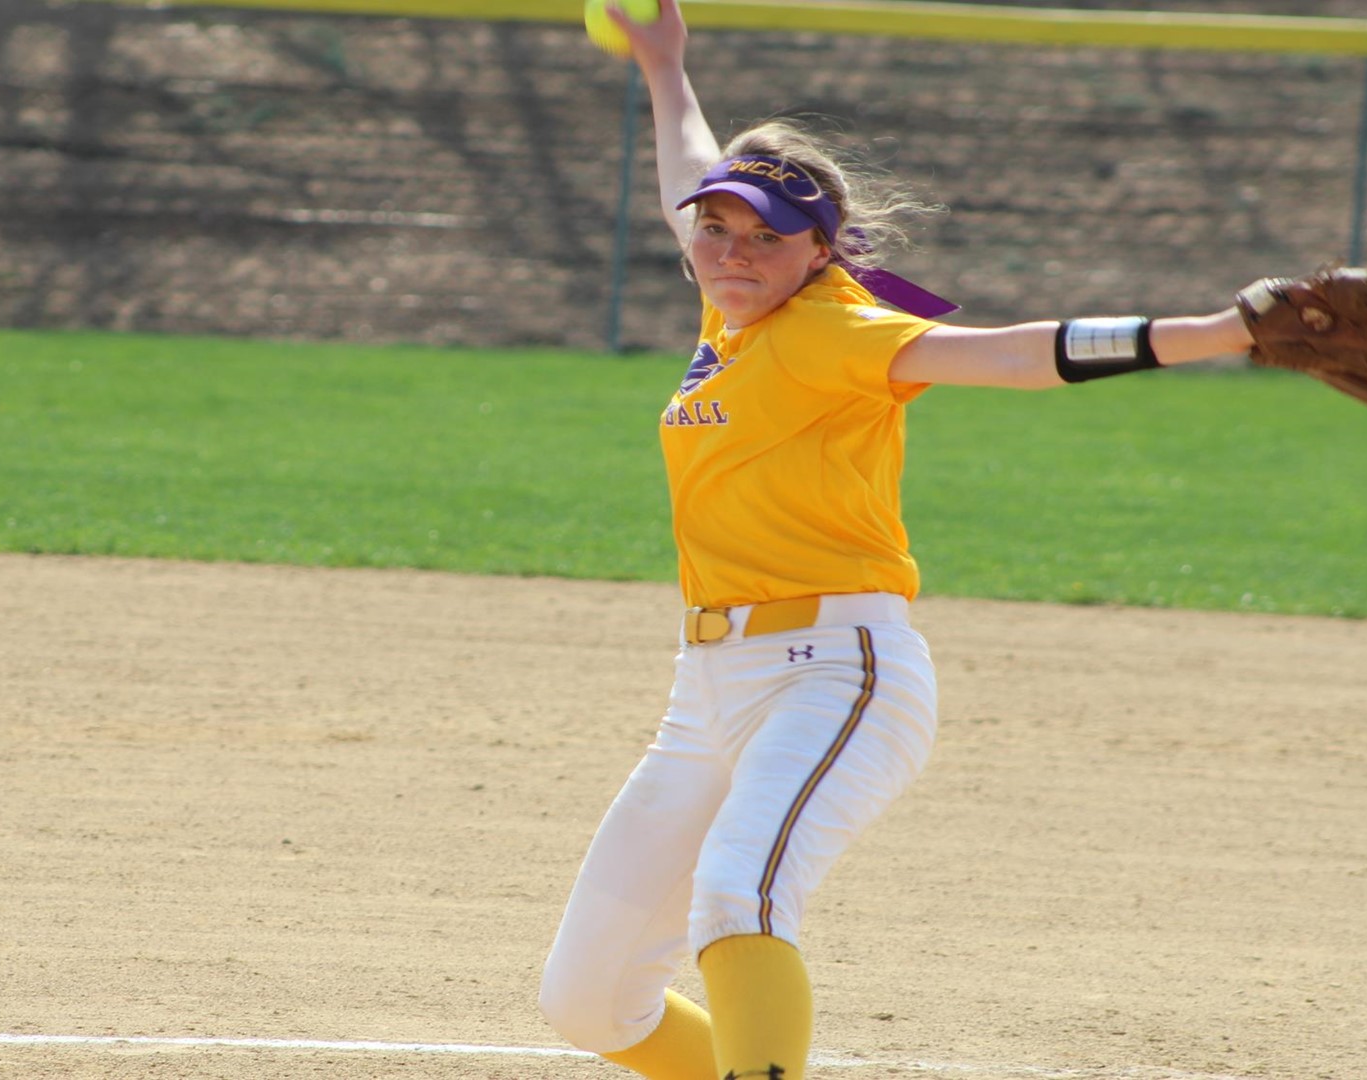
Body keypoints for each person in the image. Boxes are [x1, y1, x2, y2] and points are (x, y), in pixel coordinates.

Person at [536, 3, 1257, 1079]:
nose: (732, 250)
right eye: (716, 229)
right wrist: (665, 66)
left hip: (836, 671)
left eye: (765, 235)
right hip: (708, 686)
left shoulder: (838, 325)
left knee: (741, 894)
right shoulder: (729, 312)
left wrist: (1222, 333)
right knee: (591, 1004)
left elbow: (1016, 356)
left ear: (821, 250)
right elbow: (690, 170)